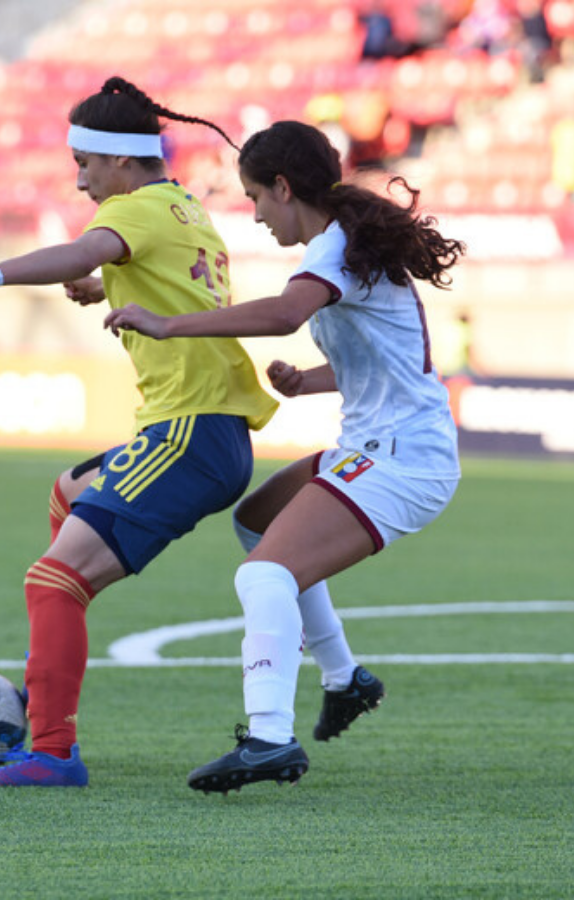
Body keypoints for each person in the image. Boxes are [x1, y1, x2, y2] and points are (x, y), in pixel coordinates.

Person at [0, 76, 282, 787]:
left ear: (120, 159)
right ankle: (48, 676)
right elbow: (164, 274)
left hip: (188, 434)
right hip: (205, 430)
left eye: (84, 163)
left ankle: (53, 751)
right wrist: (110, 284)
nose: (80, 179)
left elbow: (81, 251)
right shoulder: (182, 205)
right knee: (68, 493)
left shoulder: (134, 208)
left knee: (52, 581)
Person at [105, 120, 465, 794]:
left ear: (283, 186)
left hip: (402, 459)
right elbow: (388, 360)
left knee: (263, 576)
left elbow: (282, 315)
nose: (255, 214)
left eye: (254, 198)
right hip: (386, 445)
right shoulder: (349, 243)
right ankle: (345, 679)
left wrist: (168, 324)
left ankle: (270, 737)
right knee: (257, 524)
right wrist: (308, 381)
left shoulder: (335, 247)